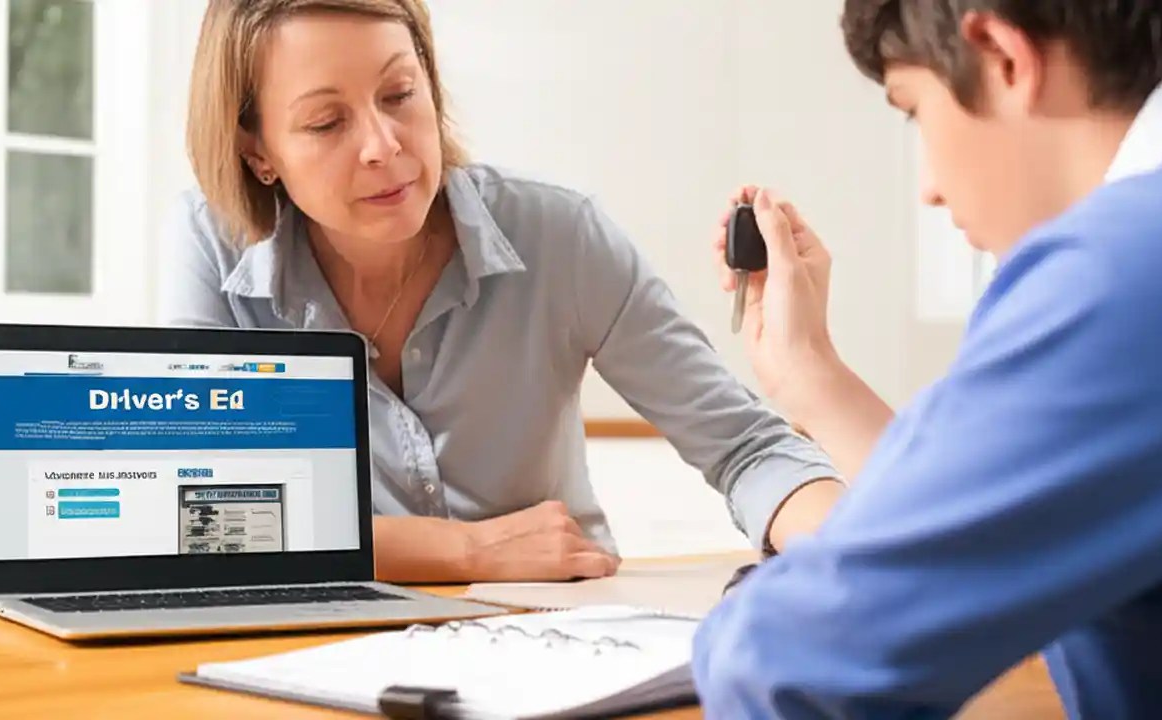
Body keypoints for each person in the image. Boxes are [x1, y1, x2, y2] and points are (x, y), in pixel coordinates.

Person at [692, 1, 1162, 718]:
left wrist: (755, 604)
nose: (928, 186)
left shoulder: (1144, 263)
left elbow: (787, 667)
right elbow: (1016, 514)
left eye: (914, 110)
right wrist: (812, 377)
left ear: (1003, 56)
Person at [160, 0, 843, 584]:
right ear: (258, 151)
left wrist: (863, 565)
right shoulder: (213, 244)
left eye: (399, 94)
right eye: (326, 123)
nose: (383, 144)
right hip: (325, 642)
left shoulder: (559, 235)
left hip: (554, 631)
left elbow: (746, 448)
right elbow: (205, 521)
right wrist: (466, 551)